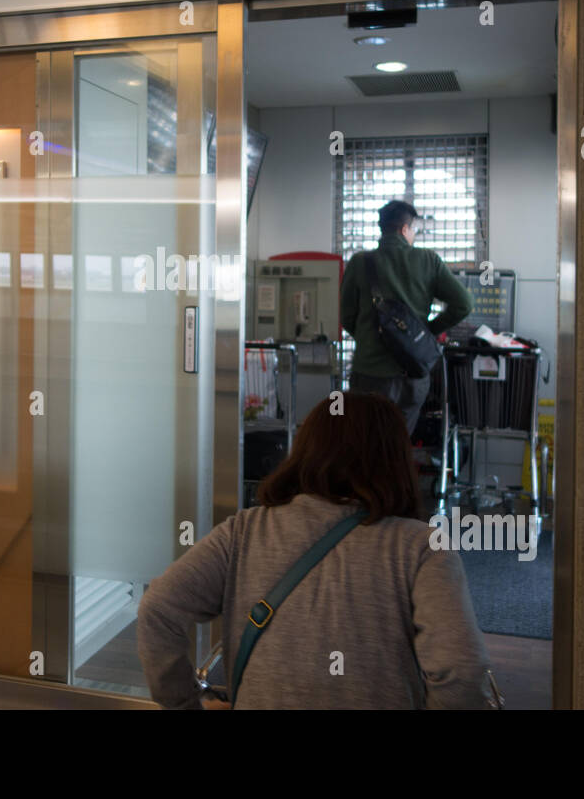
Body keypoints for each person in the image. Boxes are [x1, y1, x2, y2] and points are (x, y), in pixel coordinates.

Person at [136, 391, 493, 709]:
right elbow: (461, 670)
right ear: (395, 461)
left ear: (306, 450)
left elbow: (158, 608)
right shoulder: (422, 548)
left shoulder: (244, 531)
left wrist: (184, 702)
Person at [340, 199, 474, 435]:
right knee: (397, 445)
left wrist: (370, 337)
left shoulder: (359, 262)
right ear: (404, 229)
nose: (414, 235)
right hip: (410, 376)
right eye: (414, 230)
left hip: (368, 375)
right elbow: (464, 304)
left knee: (363, 445)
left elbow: (347, 317)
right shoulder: (427, 260)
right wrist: (427, 330)